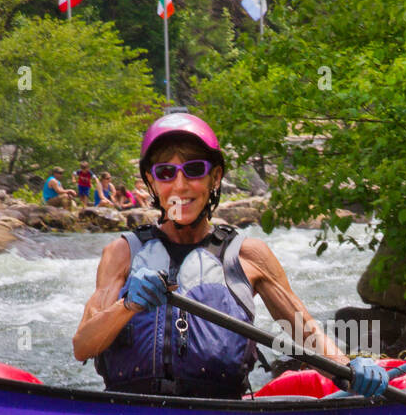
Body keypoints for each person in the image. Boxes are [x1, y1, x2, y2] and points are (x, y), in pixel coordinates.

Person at [72, 112, 389, 400]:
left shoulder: (249, 255)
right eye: (166, 173)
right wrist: (126, 306)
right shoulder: (122, 252)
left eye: (194, 170)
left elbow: (304, 332)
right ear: (152, 182)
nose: (180, 186)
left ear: (216, 178)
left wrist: (349, 368)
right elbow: (83, 346)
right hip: (133, 412)